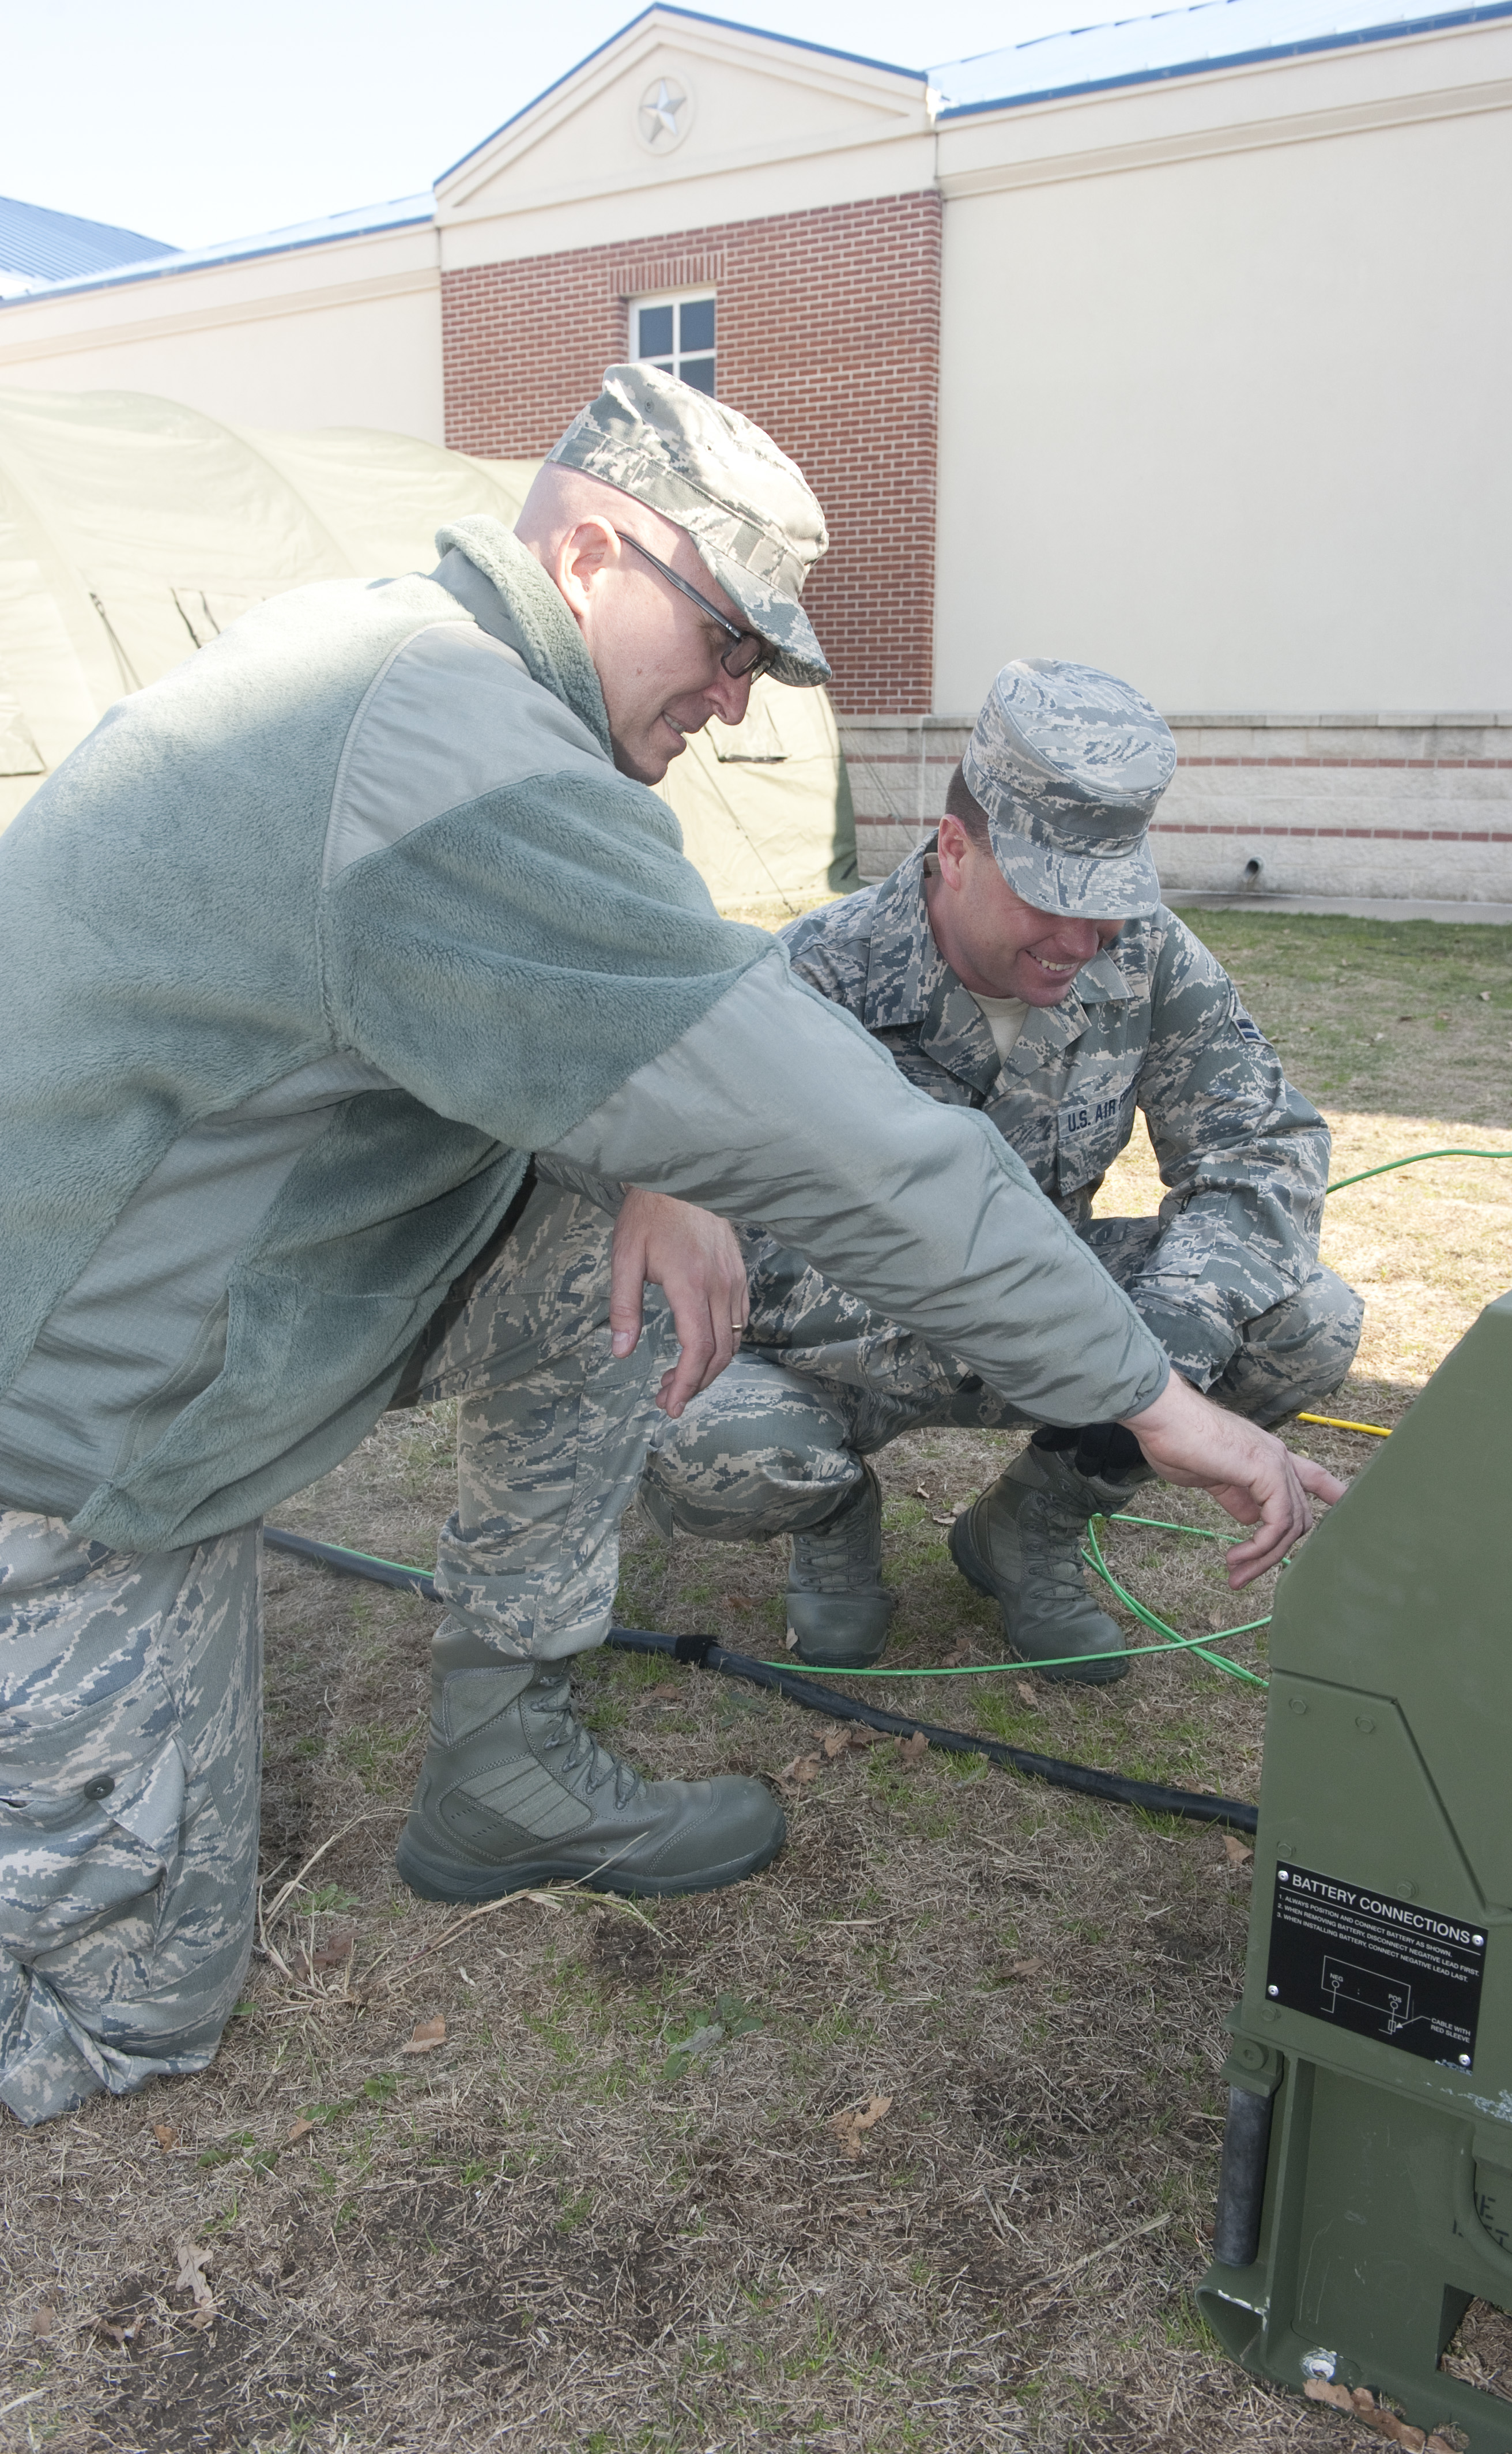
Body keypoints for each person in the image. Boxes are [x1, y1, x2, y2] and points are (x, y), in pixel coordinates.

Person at [0, 372, 1341, 2126]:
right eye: (722, 642)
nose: (733, 699)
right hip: (76, 1433)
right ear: (585, 554)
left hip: (194, 1320)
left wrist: (664, 1161)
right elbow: (846, 1134)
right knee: (132, 2012)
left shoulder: (417, 678)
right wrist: (1149, 1399)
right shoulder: (443, 740)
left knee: (594, 1256)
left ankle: (499, 1767)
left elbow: (548, 1030)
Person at [644, 659, 1362, 1680]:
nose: (1082, 941)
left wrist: (1159, 1367)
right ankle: (835, 1517)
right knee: (695, 1443)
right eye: (1050, 899)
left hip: (1067, 1331)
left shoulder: (1145, 955)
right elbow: (729, 1237)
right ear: (956, 850)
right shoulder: (811, 977)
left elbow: (1260, 1150)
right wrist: (1029, 1328)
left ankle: (1030, 1530)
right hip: (838, 1344)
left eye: (1109, 900)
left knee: (1306, 1320)